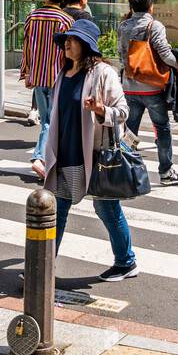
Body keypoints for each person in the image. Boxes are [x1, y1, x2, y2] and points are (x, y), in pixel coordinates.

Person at [43, 17, 138, 283]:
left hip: (95, 156)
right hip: (65, 155)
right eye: (66, 40)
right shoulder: (64, 73)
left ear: (86, 45)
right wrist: (45, 154)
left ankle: (126, 262)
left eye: (73, 40)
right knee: (57, 211)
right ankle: (45, 268)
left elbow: (123, 112)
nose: (67, 44)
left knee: (107, 210)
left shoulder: (102, 73)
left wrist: (99, 110)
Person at [118, 0, 178, 185]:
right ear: (150, 6)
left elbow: (122, 55)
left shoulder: (123, 26)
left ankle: (125, 169)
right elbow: (165, 54)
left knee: (129, 131)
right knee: (162, 128)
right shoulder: (155, 26)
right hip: (153, 87)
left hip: (129, 86)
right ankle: (165, 171)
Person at [20, 0, 70, 179]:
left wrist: (26, 72)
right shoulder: (65, 20)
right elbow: (69, 50)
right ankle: (40, 158)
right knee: (54, 121)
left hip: (39, 77)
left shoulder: (32, 17)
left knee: (47, 121)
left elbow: (26, 46)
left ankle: (47, 159)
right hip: (59, 76)